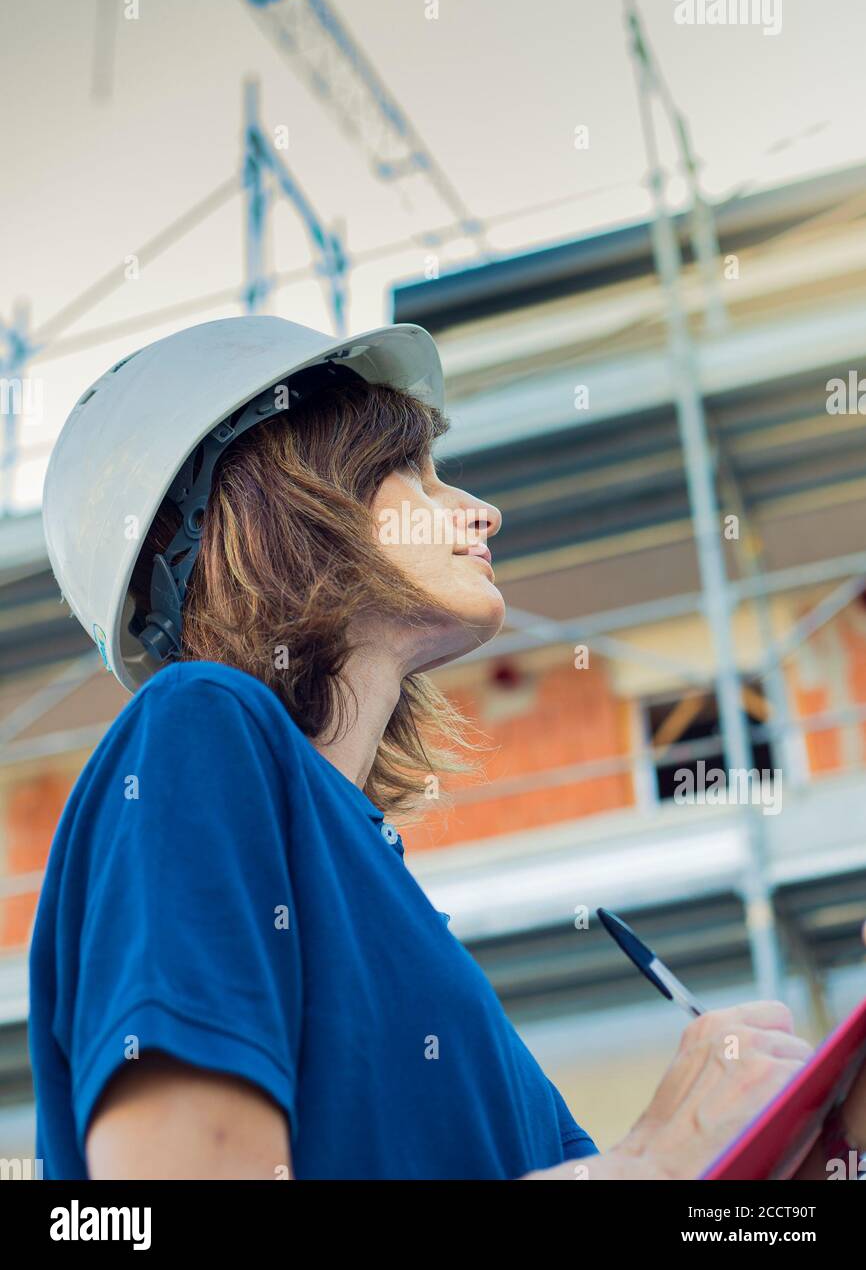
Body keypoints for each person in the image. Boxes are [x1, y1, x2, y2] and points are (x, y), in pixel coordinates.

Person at [30, 315, 866, 1180]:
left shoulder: (435, 968)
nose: (481, 511)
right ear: (284, 498)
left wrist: (819, 1142)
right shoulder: (196, 729)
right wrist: (648, 1161)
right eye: (413, 475)